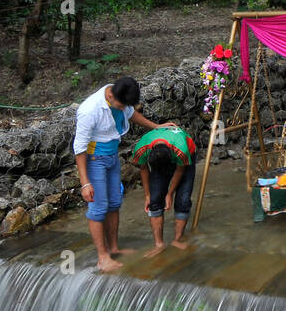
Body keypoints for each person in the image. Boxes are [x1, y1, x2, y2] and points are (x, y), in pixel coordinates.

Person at [73, 76, 174, 272]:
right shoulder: (89, 110)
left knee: (114, 203)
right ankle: (103, 258)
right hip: (94, 159)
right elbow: (79, 148)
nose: (122, 109)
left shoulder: (119, 96)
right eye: (119, 106)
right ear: (110, 96)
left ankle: (114, 248)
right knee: (98, 208)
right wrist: (85, 183)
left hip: (112, 156)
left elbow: (131, 114)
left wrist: (156, 127)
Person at [131, 125, 197, 256]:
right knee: (154, 200)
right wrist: (147, 195)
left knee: (183, 199)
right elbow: (143, 169)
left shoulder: (181, 150)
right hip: (160, 158)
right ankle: (159, 244)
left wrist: (169, 194)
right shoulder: (141, 149)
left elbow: (179, 170)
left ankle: (177, 239)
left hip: (188, 153)